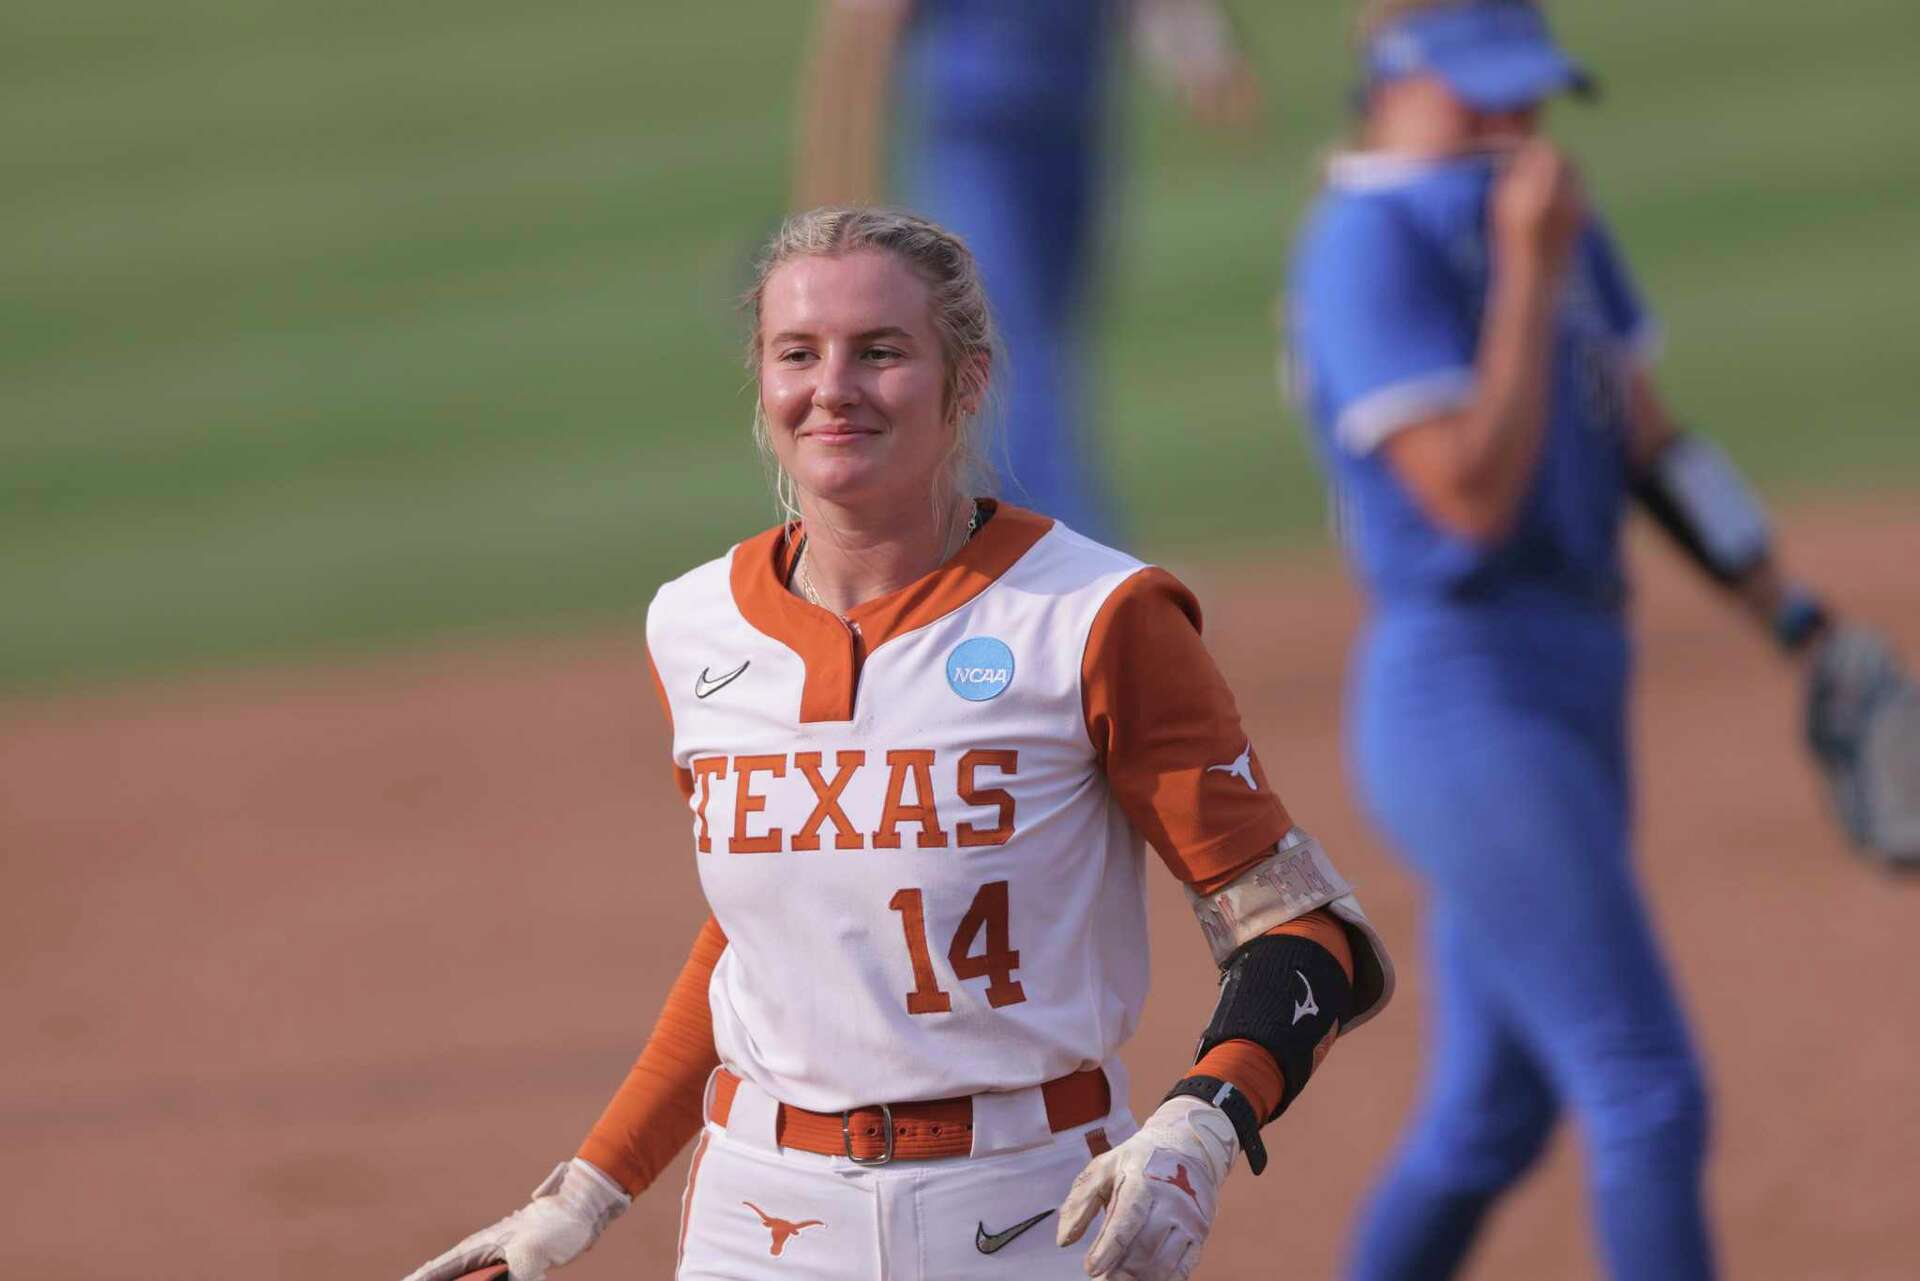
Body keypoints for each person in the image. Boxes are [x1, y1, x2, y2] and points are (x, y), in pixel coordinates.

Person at [400, 207, 1392, 1281]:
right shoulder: (694, 627)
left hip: (1035, 1208)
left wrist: (1208, 1114)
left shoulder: (1093, 617)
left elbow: (1297, 934)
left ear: (965, 382)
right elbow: (758, 946)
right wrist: (586, 1194)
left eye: (881, 352)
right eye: (798, 353)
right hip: (761, 1218)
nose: (833, 388)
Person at [1285, 2, 1878, 1277]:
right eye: (1488, 97)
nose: (1518, 126)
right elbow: (1472, 496)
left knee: (1491, 1118)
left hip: (1578, 685)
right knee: (1648, 1089)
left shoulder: (1542, 213)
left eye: (1533, 98)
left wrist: (1790, 611)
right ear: (1401, 79)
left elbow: (1651, 440)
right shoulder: (1365, 246)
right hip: (1465, 700)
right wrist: (1529, 272)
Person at [794, 0, 1263, 545]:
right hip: (977, 145)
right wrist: (831, 196)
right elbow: (864, 29)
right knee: (1012, 348)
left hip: (1072, 133)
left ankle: (1002, 546)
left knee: (1051, 346)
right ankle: (1065, 555)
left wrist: (1202, 55)